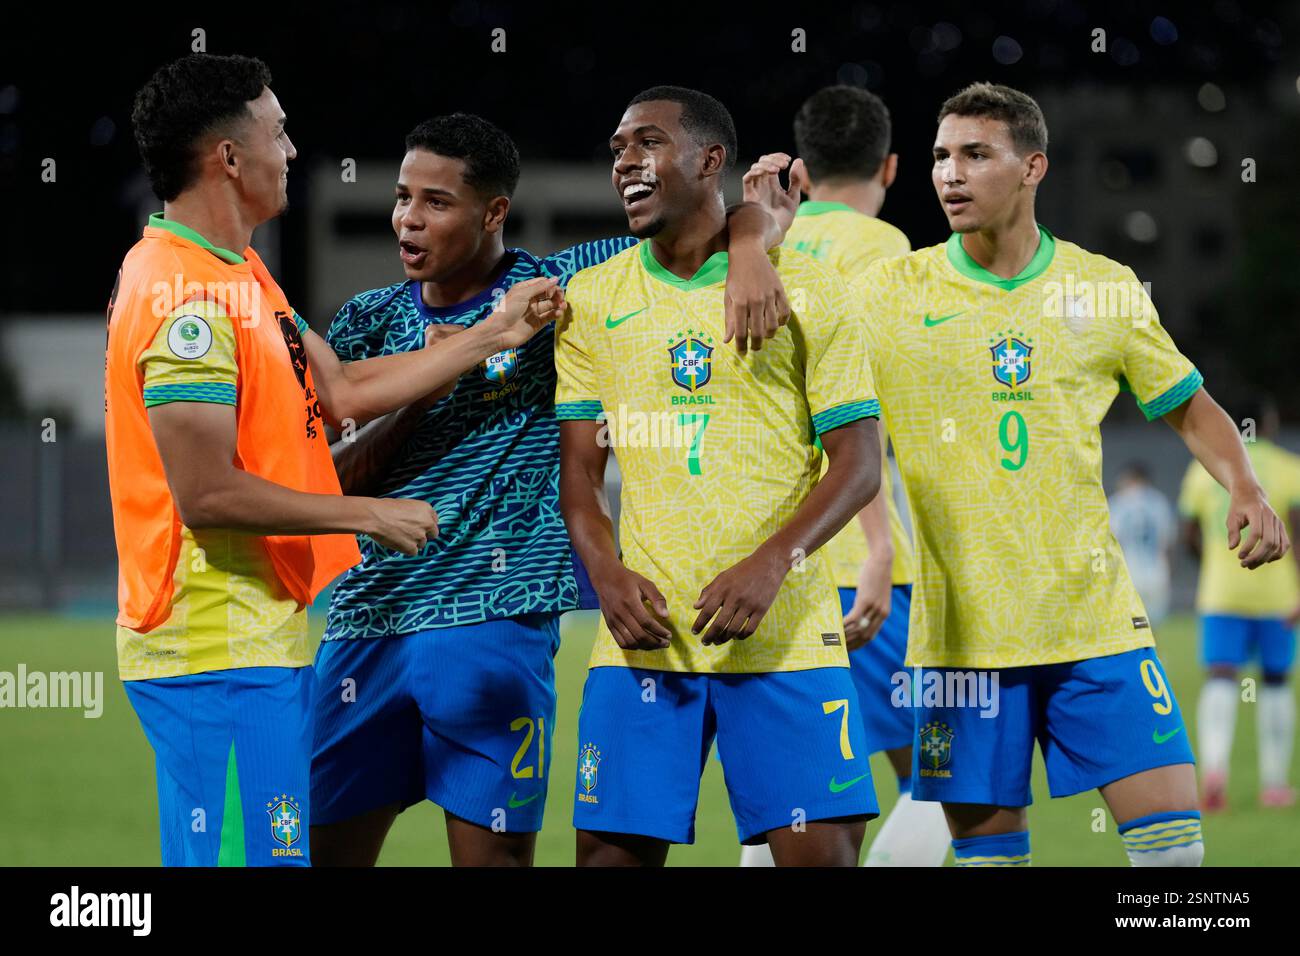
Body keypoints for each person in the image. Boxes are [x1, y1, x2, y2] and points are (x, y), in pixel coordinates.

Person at [746, 81, 1289, 867]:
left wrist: (1245, 484)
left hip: (1093, 624)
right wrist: (766, 248)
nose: (950, 175)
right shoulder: (890, 292)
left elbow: (1190, 404)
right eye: (939, 157)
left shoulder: (1100, 288)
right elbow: (778, 360)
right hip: (962, 643)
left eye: (975, 154)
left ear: (1033, 166)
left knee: (1176, 858)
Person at [108, 54, 556, 866]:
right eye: (278, 133)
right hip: (213, 652)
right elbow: (205, 492)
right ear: (230, 159)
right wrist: (365, 514)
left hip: (259, 643)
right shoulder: (186, 298)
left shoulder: (239, 272)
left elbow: (344, 390)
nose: (292, 150)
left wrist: (493, 334)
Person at [308, 112, 790, 867]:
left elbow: (698, 220)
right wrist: (429, 384)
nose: (408, 218)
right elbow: (327, 482)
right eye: (403, 197)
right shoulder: (368, 323)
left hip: (494, 624)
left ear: (493, 212)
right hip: (368, 624)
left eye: (436, 202)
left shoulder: (569, 288)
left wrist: (756, 237)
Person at [557, 86, 884, 867]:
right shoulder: (592, 300)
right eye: (616, 149)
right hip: (646, 641)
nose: (626, 162)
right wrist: (604, 574)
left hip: (786, 642)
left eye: (647, 143)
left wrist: (774, 563)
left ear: (710, 160)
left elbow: (860, 462)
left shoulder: (809, 287)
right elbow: (579, 476)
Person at [738, 85, 948, 868]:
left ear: (804, 162)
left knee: (794, 791)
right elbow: (863, 408)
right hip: (859, 561)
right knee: (944, 770)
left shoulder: (755, 243)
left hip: (770, 558)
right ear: (891, 165)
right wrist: (881, 548)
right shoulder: (884, 249)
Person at [1180, 397, 1300, 810]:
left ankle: (1214, 771)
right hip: (1278, 596)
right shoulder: (1289, 468)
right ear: (1268, 424)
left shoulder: (1201, 471)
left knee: (1220, 679)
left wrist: (1215, 559)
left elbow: (1188, 534)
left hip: (1221, 593)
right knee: (1275, 683)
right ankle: (1273, 784)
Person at [1109, 462, 1177, 625]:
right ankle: (1155, 651)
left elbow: (1112, 541)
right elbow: (1167, 541)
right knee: (1153, 625)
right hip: (1156, 572)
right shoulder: (1158, 501)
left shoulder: (1118, 502)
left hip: (1129, 573)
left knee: (1135, 627)